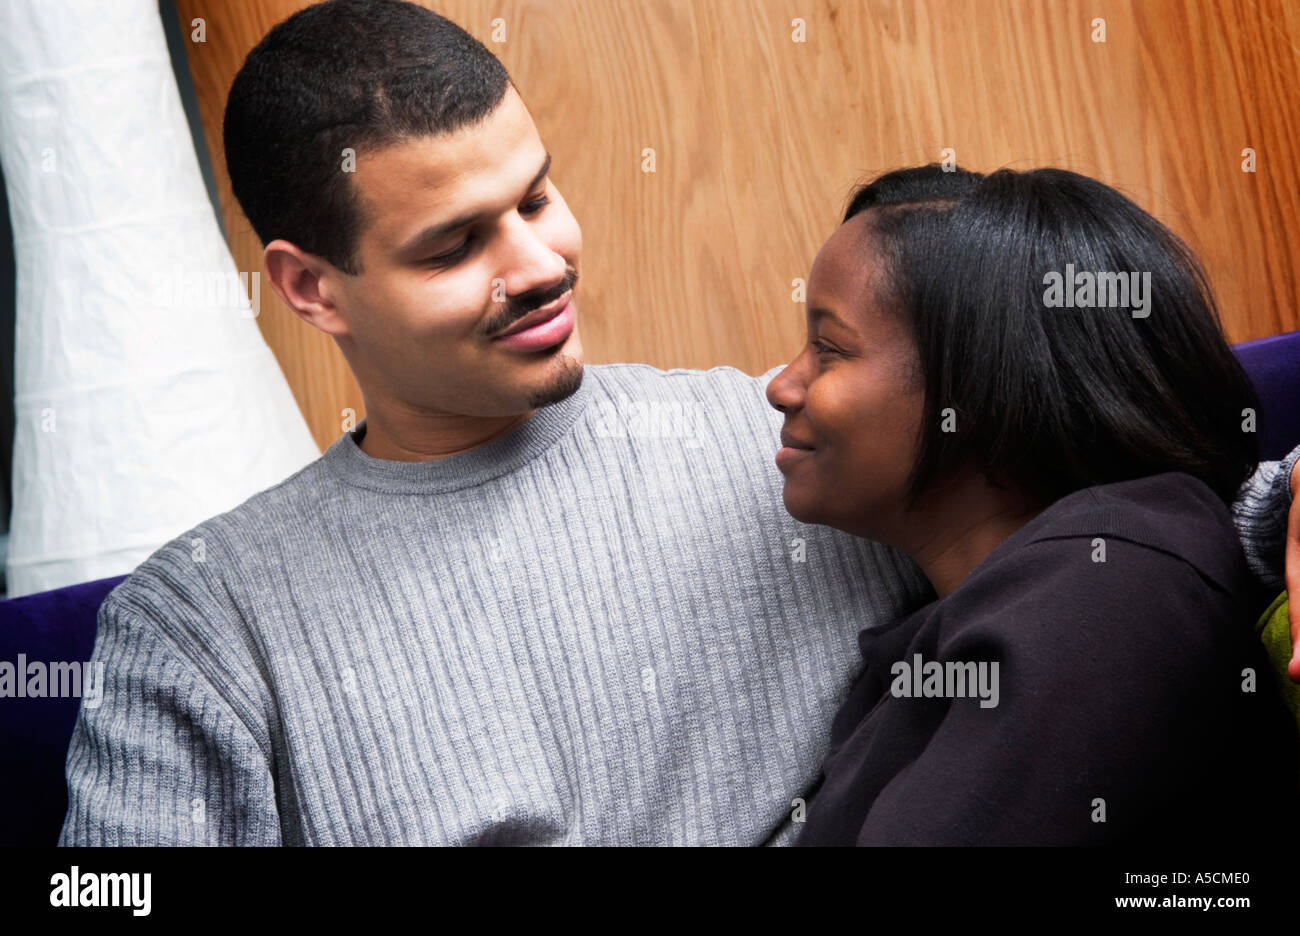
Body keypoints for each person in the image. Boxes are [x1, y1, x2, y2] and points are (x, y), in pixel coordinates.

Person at [58, 0, 1299, 846]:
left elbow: (1104, 510)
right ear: (310, 288)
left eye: (537, 195)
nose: (538, 262)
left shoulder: (795, 452)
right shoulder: (203, 618)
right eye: (454, 246)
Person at [766, 165, 1300, 845]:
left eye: (829, 349)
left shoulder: (1114, 588)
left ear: (980, 386)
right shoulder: (942, 638)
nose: (782, 385)